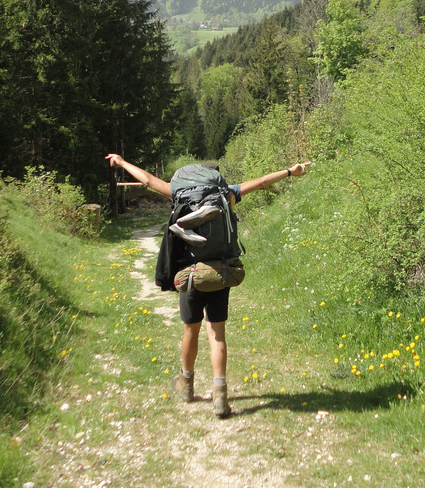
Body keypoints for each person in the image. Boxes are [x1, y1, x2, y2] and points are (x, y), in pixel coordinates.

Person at [104, 154, 310, 418]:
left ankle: (186, 384)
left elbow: (147, 180)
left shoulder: (179, 192)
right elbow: (261, 182)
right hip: (220, 271)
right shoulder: (226, 193)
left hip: (190, 273)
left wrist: (122, 162)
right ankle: (220, 395)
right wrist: (290, 171)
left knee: (191, 329)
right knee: (217, 334)